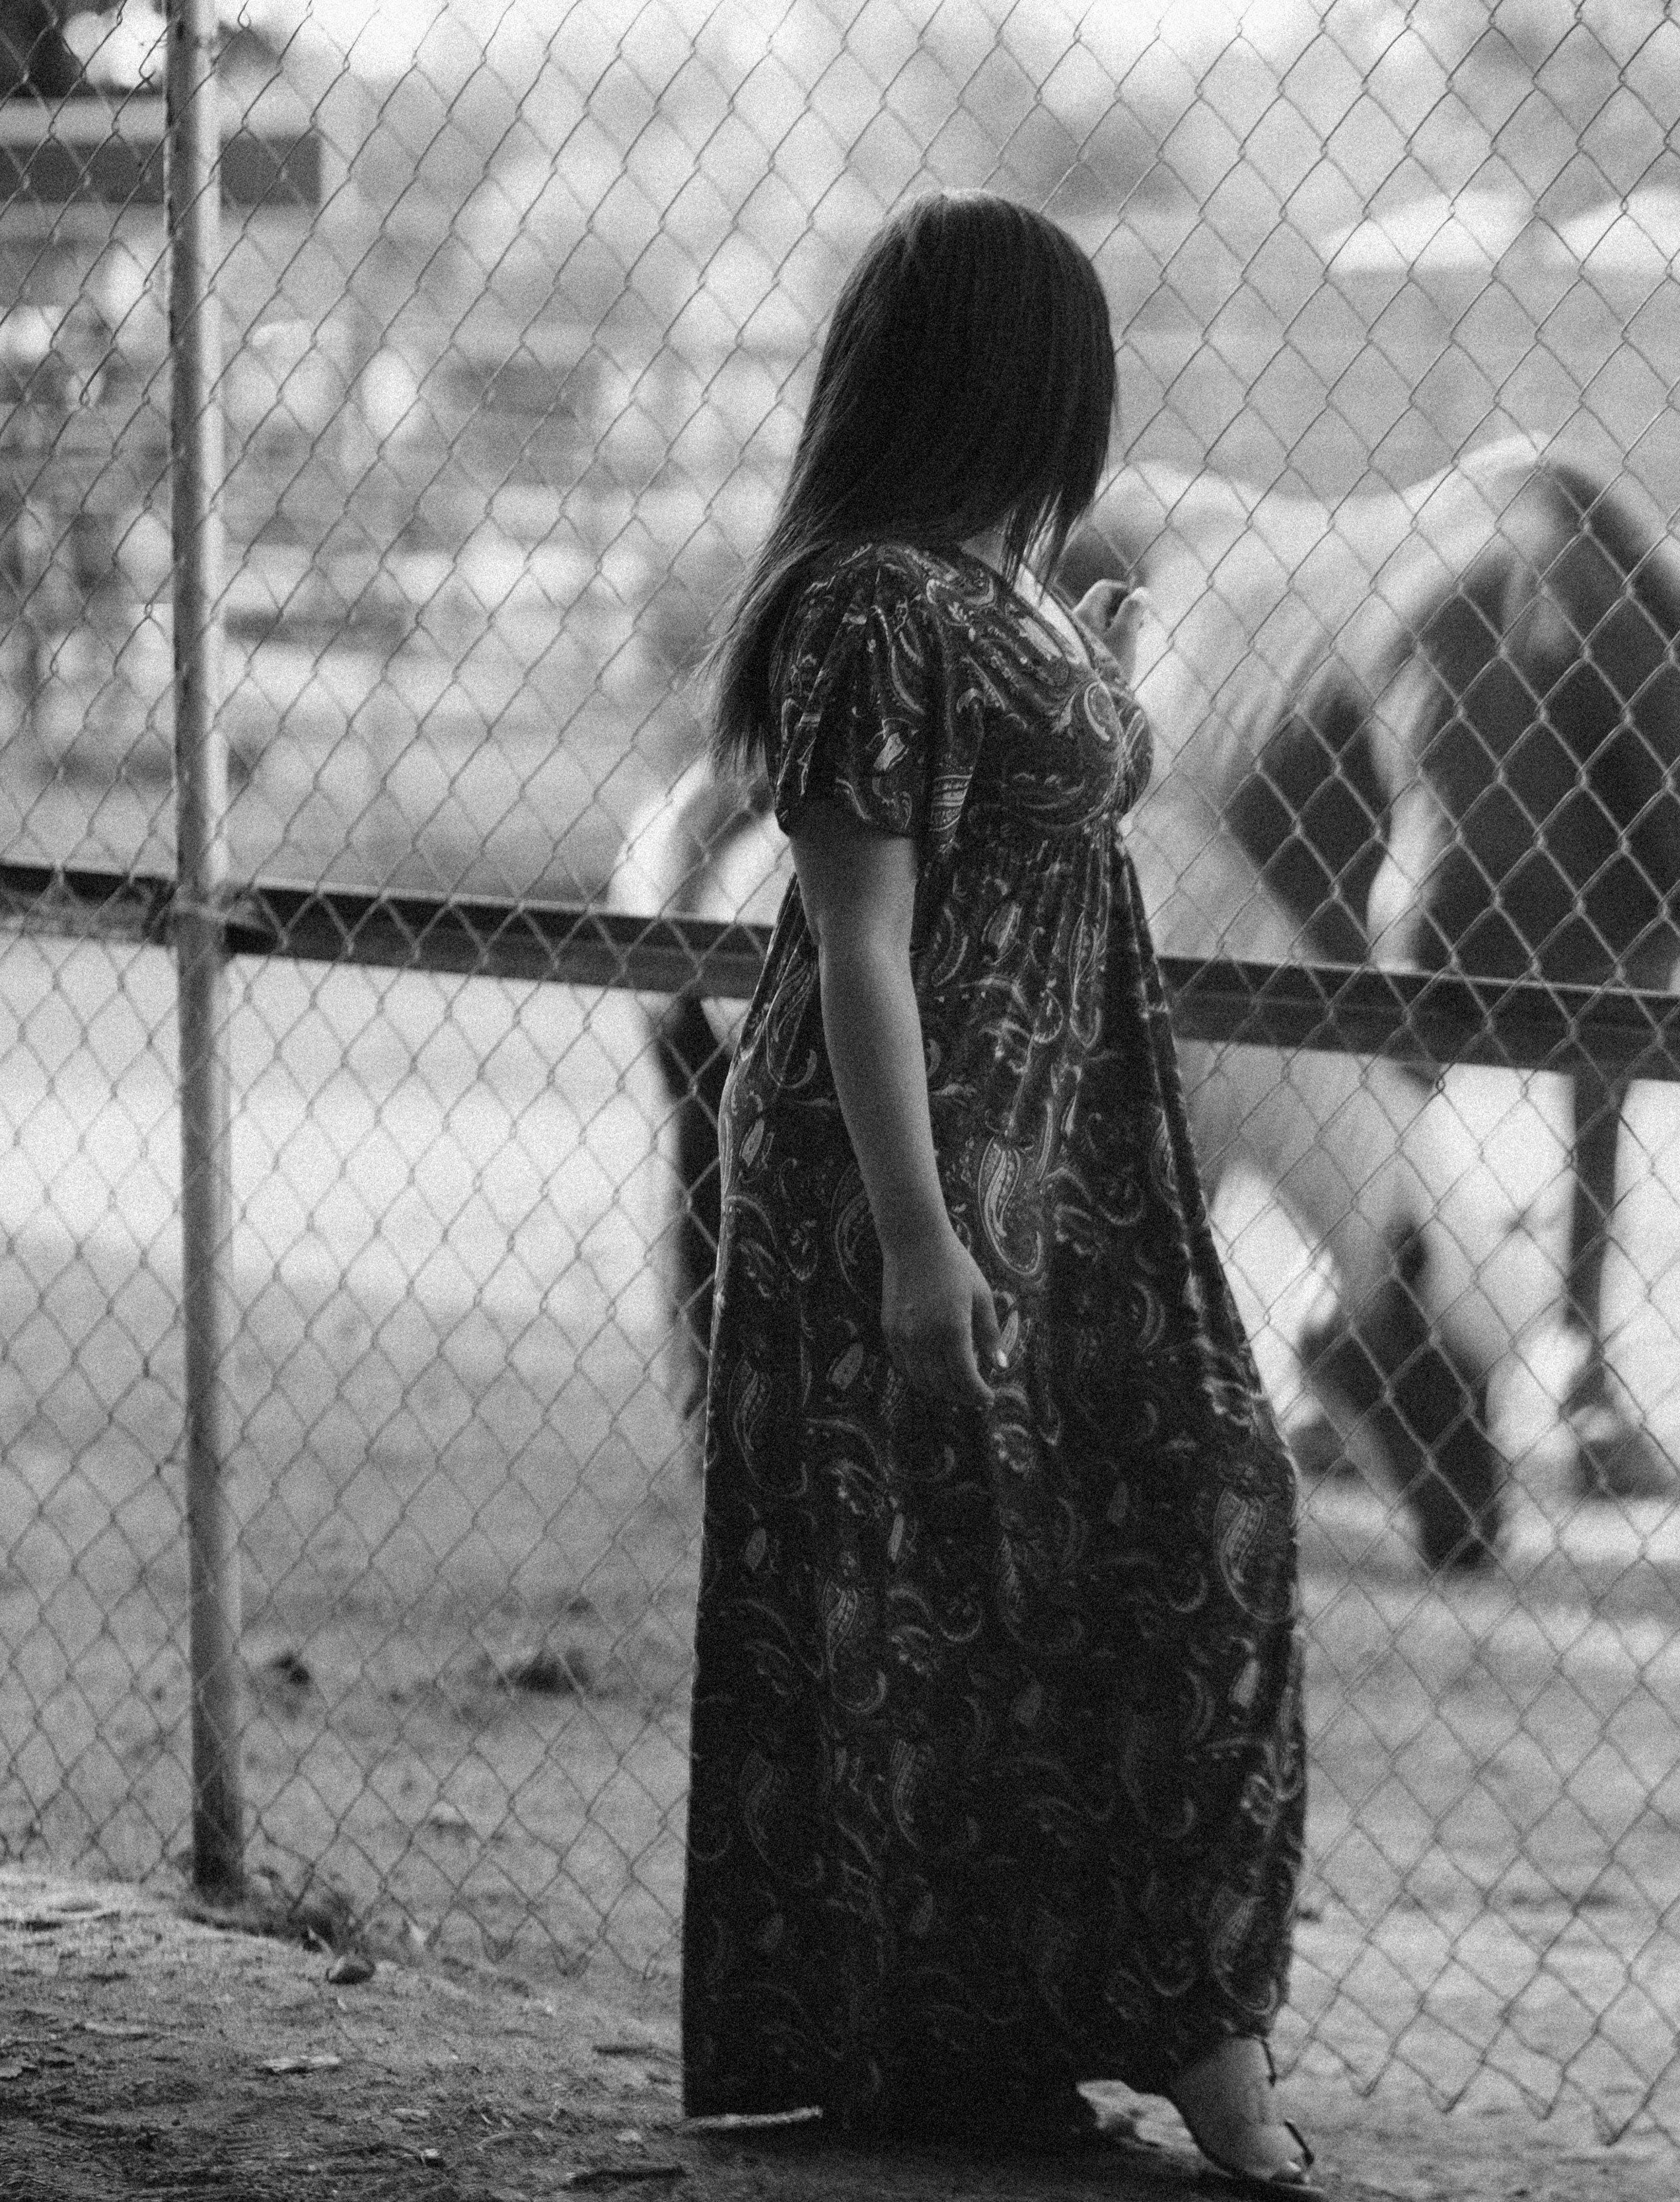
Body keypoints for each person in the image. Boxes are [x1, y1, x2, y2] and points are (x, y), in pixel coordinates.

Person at [678, 190, 1321, 2197]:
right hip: (928, 1155)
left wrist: (1096, 675)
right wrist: (915, 1233)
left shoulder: (986, 585)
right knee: (944, 1590)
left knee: (1166, 1514)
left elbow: (1039, 799)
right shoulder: (873, 601)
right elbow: (859, 940)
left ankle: (1063, 2032)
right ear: (1009, 380)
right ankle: (1147, 2057)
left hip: (1069, 1154)